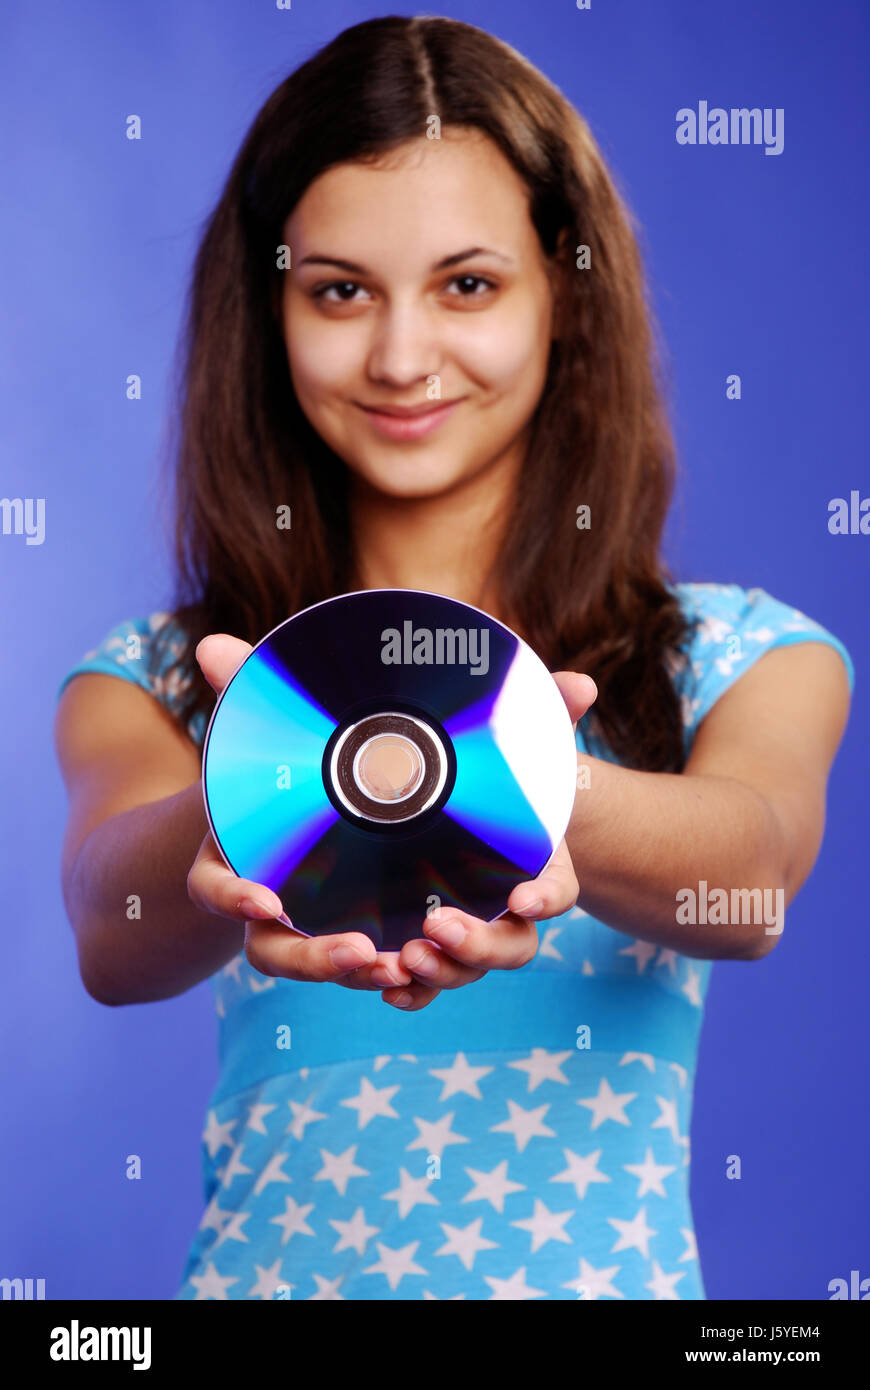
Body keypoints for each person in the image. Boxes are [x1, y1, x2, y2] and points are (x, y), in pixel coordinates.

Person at [54, 16, 853, 1301]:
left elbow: (749, 888)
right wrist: (254, 789)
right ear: (268, 311)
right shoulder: (172, 673)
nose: (401, 357)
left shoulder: (740, 653)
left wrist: (523, 773)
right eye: (339, 290)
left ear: (564, 292)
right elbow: (111, 931)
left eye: (467, 285)